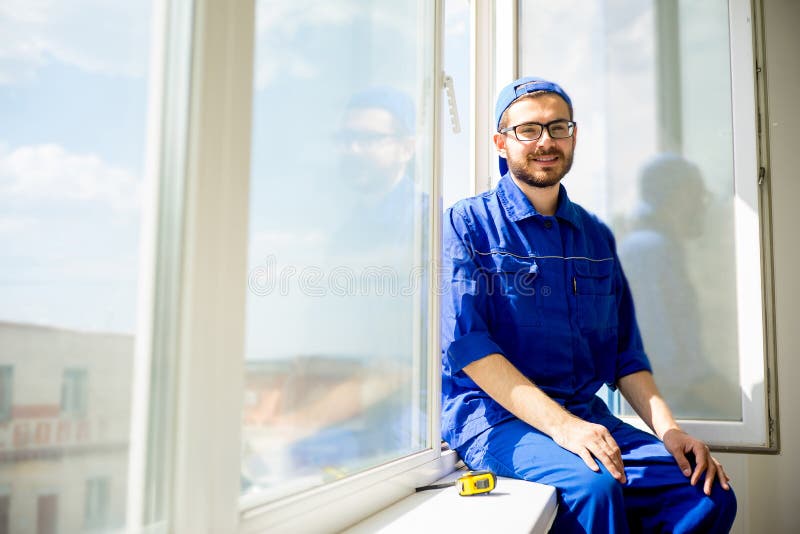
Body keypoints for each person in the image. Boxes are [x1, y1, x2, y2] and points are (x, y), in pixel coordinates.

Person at [441, 77, 736, 533]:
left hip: (585, 417)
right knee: (593, 487)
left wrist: (670, 432)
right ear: (501, 143)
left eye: (558, 128)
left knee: (706, 492)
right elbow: (470, 348)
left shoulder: (595, 236)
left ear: (573, 137)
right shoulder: (467, 224)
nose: (546, 141)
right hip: (497, 421)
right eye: (528, 130)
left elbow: (626, 357)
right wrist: (563, 427)